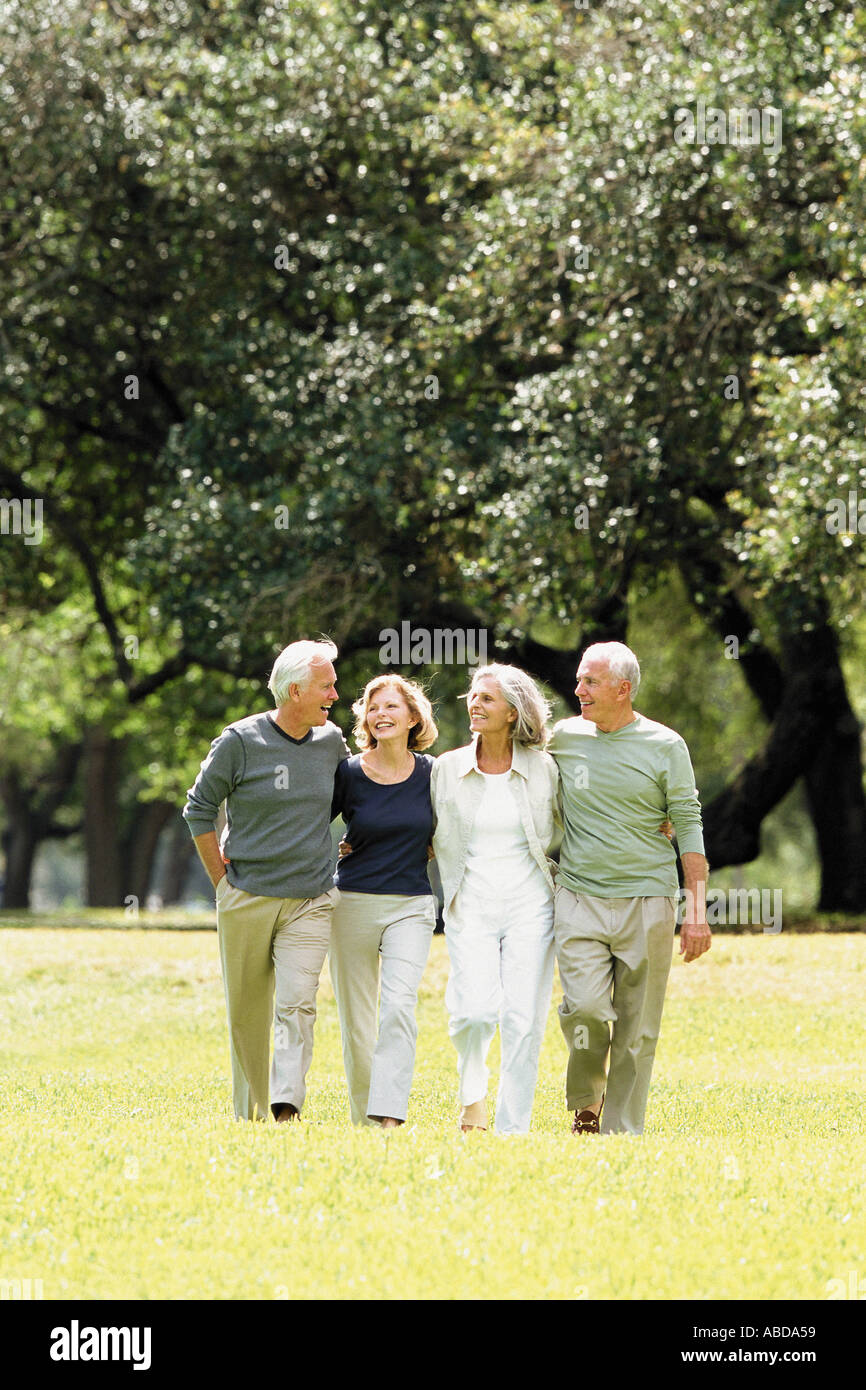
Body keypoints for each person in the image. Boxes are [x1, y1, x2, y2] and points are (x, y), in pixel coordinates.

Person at [548, 640, 711, 1137]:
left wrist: (697, 911)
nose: (578, 690)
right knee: (587, 1011)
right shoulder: (563, 737)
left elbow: (687, 821)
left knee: (638, 1028)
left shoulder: (666, 745)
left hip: (649, 898)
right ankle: (585, 1101)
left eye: (589, 682)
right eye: (579, 680)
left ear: (623, 688)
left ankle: (621, 1130)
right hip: (579, 896)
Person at [182, 638, 348, 1122]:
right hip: (247, 897)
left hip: (310, 899)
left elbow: (344, 802)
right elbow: (198, 810)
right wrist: (223, 884)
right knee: (248, 1015)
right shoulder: (239, 741)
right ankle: (250, 1113)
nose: (335, 694)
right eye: (327, 686)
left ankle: (286, 1106)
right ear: (295, 691)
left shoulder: (332, 742)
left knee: (298, 1003)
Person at [431, 664, 559, 1135]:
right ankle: (472, 1099)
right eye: (472, 695)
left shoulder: (545, 769)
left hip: (531, 905)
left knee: (523, 1017)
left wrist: (655, 823)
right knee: (473, 1013)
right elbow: (415, 826)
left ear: (513, 712)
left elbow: (584, 820)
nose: (474, 703)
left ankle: (511, 1128)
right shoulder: (446, 768)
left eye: (486, 697)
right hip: (471, 903)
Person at [329, 675, 438, 1130]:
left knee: (398, 1006)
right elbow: (312, 825)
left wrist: (429, 847)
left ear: (413, 718)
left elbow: (458, 824)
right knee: (358, 1022)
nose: (381, 715)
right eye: (373, 709)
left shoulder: (434, 773)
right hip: (351, 903)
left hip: (411, 905)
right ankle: (364, 1123)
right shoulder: (348, 773)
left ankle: (389, 1115)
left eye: (392, 707)